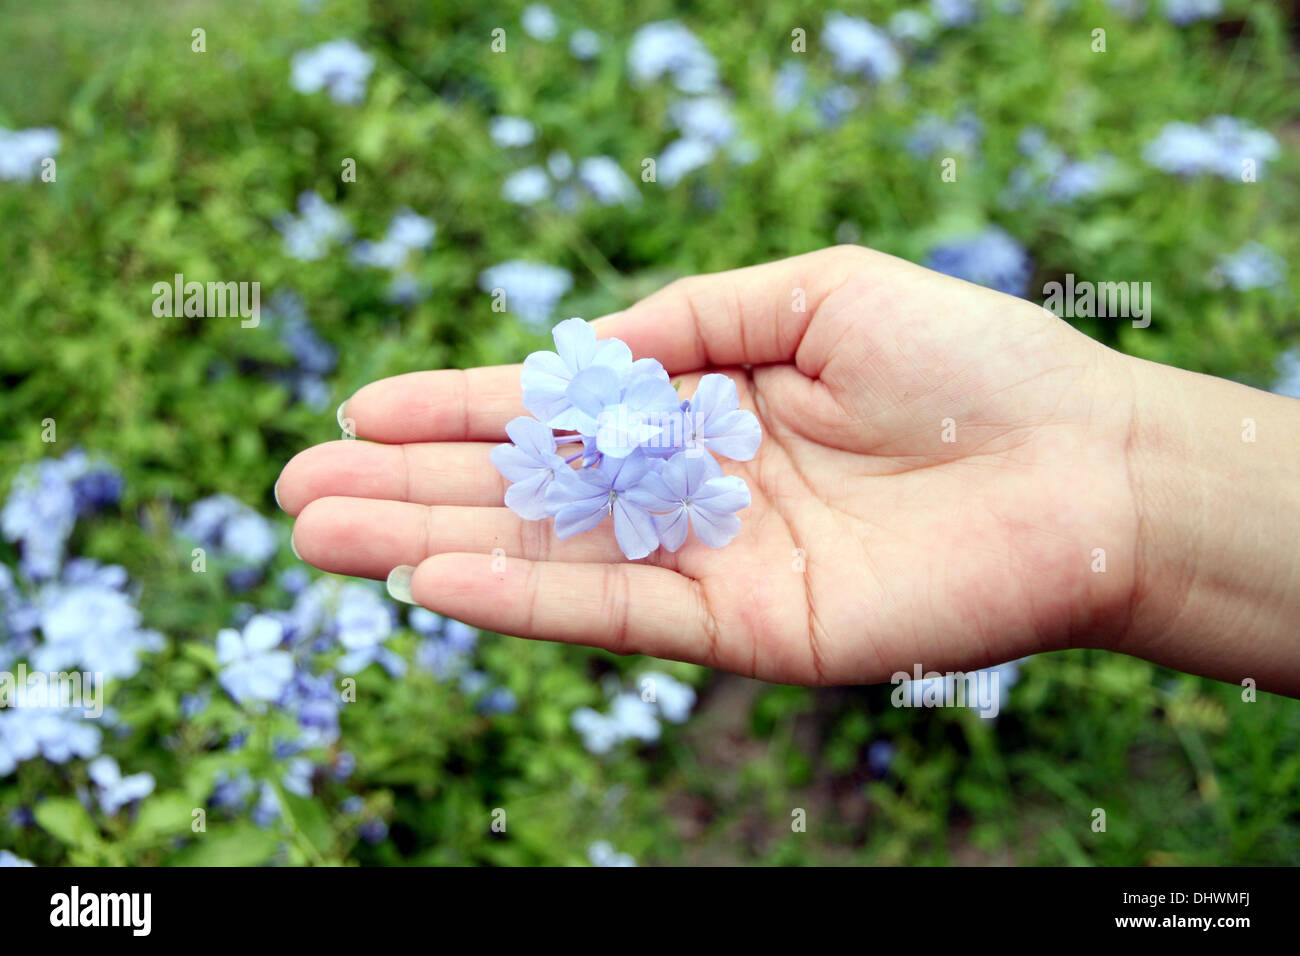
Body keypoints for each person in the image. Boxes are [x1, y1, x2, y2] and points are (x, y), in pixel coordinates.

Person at [274, 246, 1300, 697]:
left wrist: (1117, 467)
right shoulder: (615, 428)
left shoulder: (682, 436)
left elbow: (659, 467)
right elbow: (612, 459)